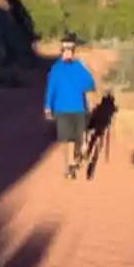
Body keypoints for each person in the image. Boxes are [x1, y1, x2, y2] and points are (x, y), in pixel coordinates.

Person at [44, 32, 97, 179]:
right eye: (65, 51)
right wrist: (48, 106)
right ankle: (69, 166)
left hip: (79, 108)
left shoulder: (79, 66)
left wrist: (87, 79)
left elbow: (90, 84)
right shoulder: (56, 69)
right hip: (61, 109)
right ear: (62, 52)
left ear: (73, 52)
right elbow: (51, 88)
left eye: (70, 51)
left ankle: (82, 149)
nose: (67, 54)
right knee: (66, 140)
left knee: (77, 138)